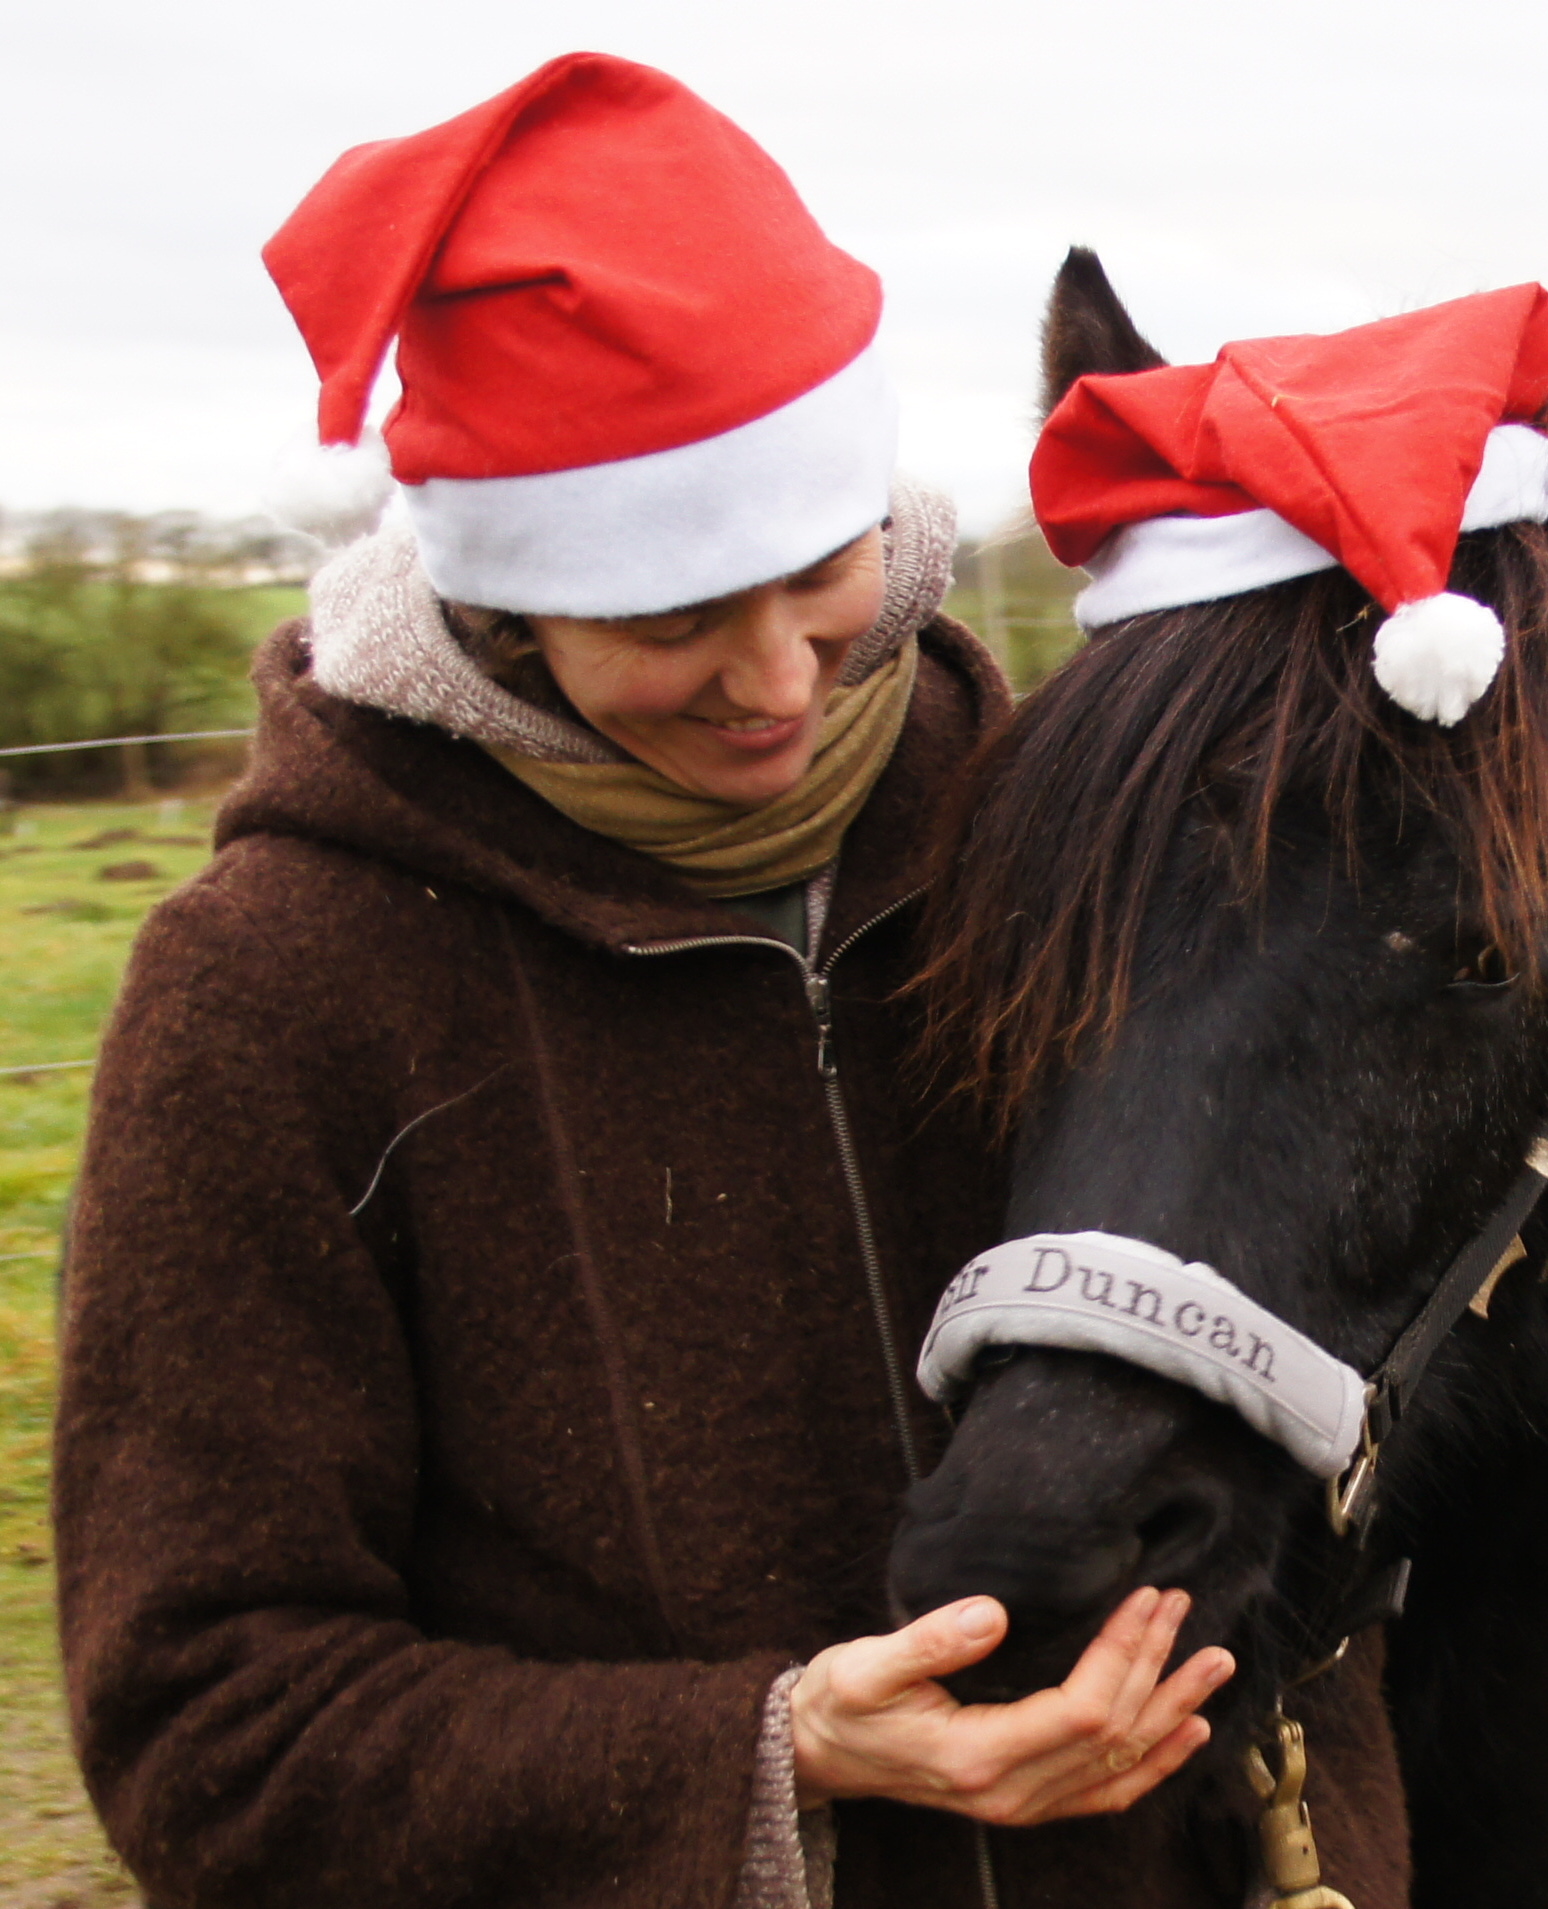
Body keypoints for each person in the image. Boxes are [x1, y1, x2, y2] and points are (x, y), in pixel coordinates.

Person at [52, 54, 1234, 1909]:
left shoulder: (1067, 843)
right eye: (669, 616)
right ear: (508, 607)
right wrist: (776, 1759)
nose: (774, 679)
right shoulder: (270, 992)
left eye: (815, 572)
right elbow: (210, 1727)